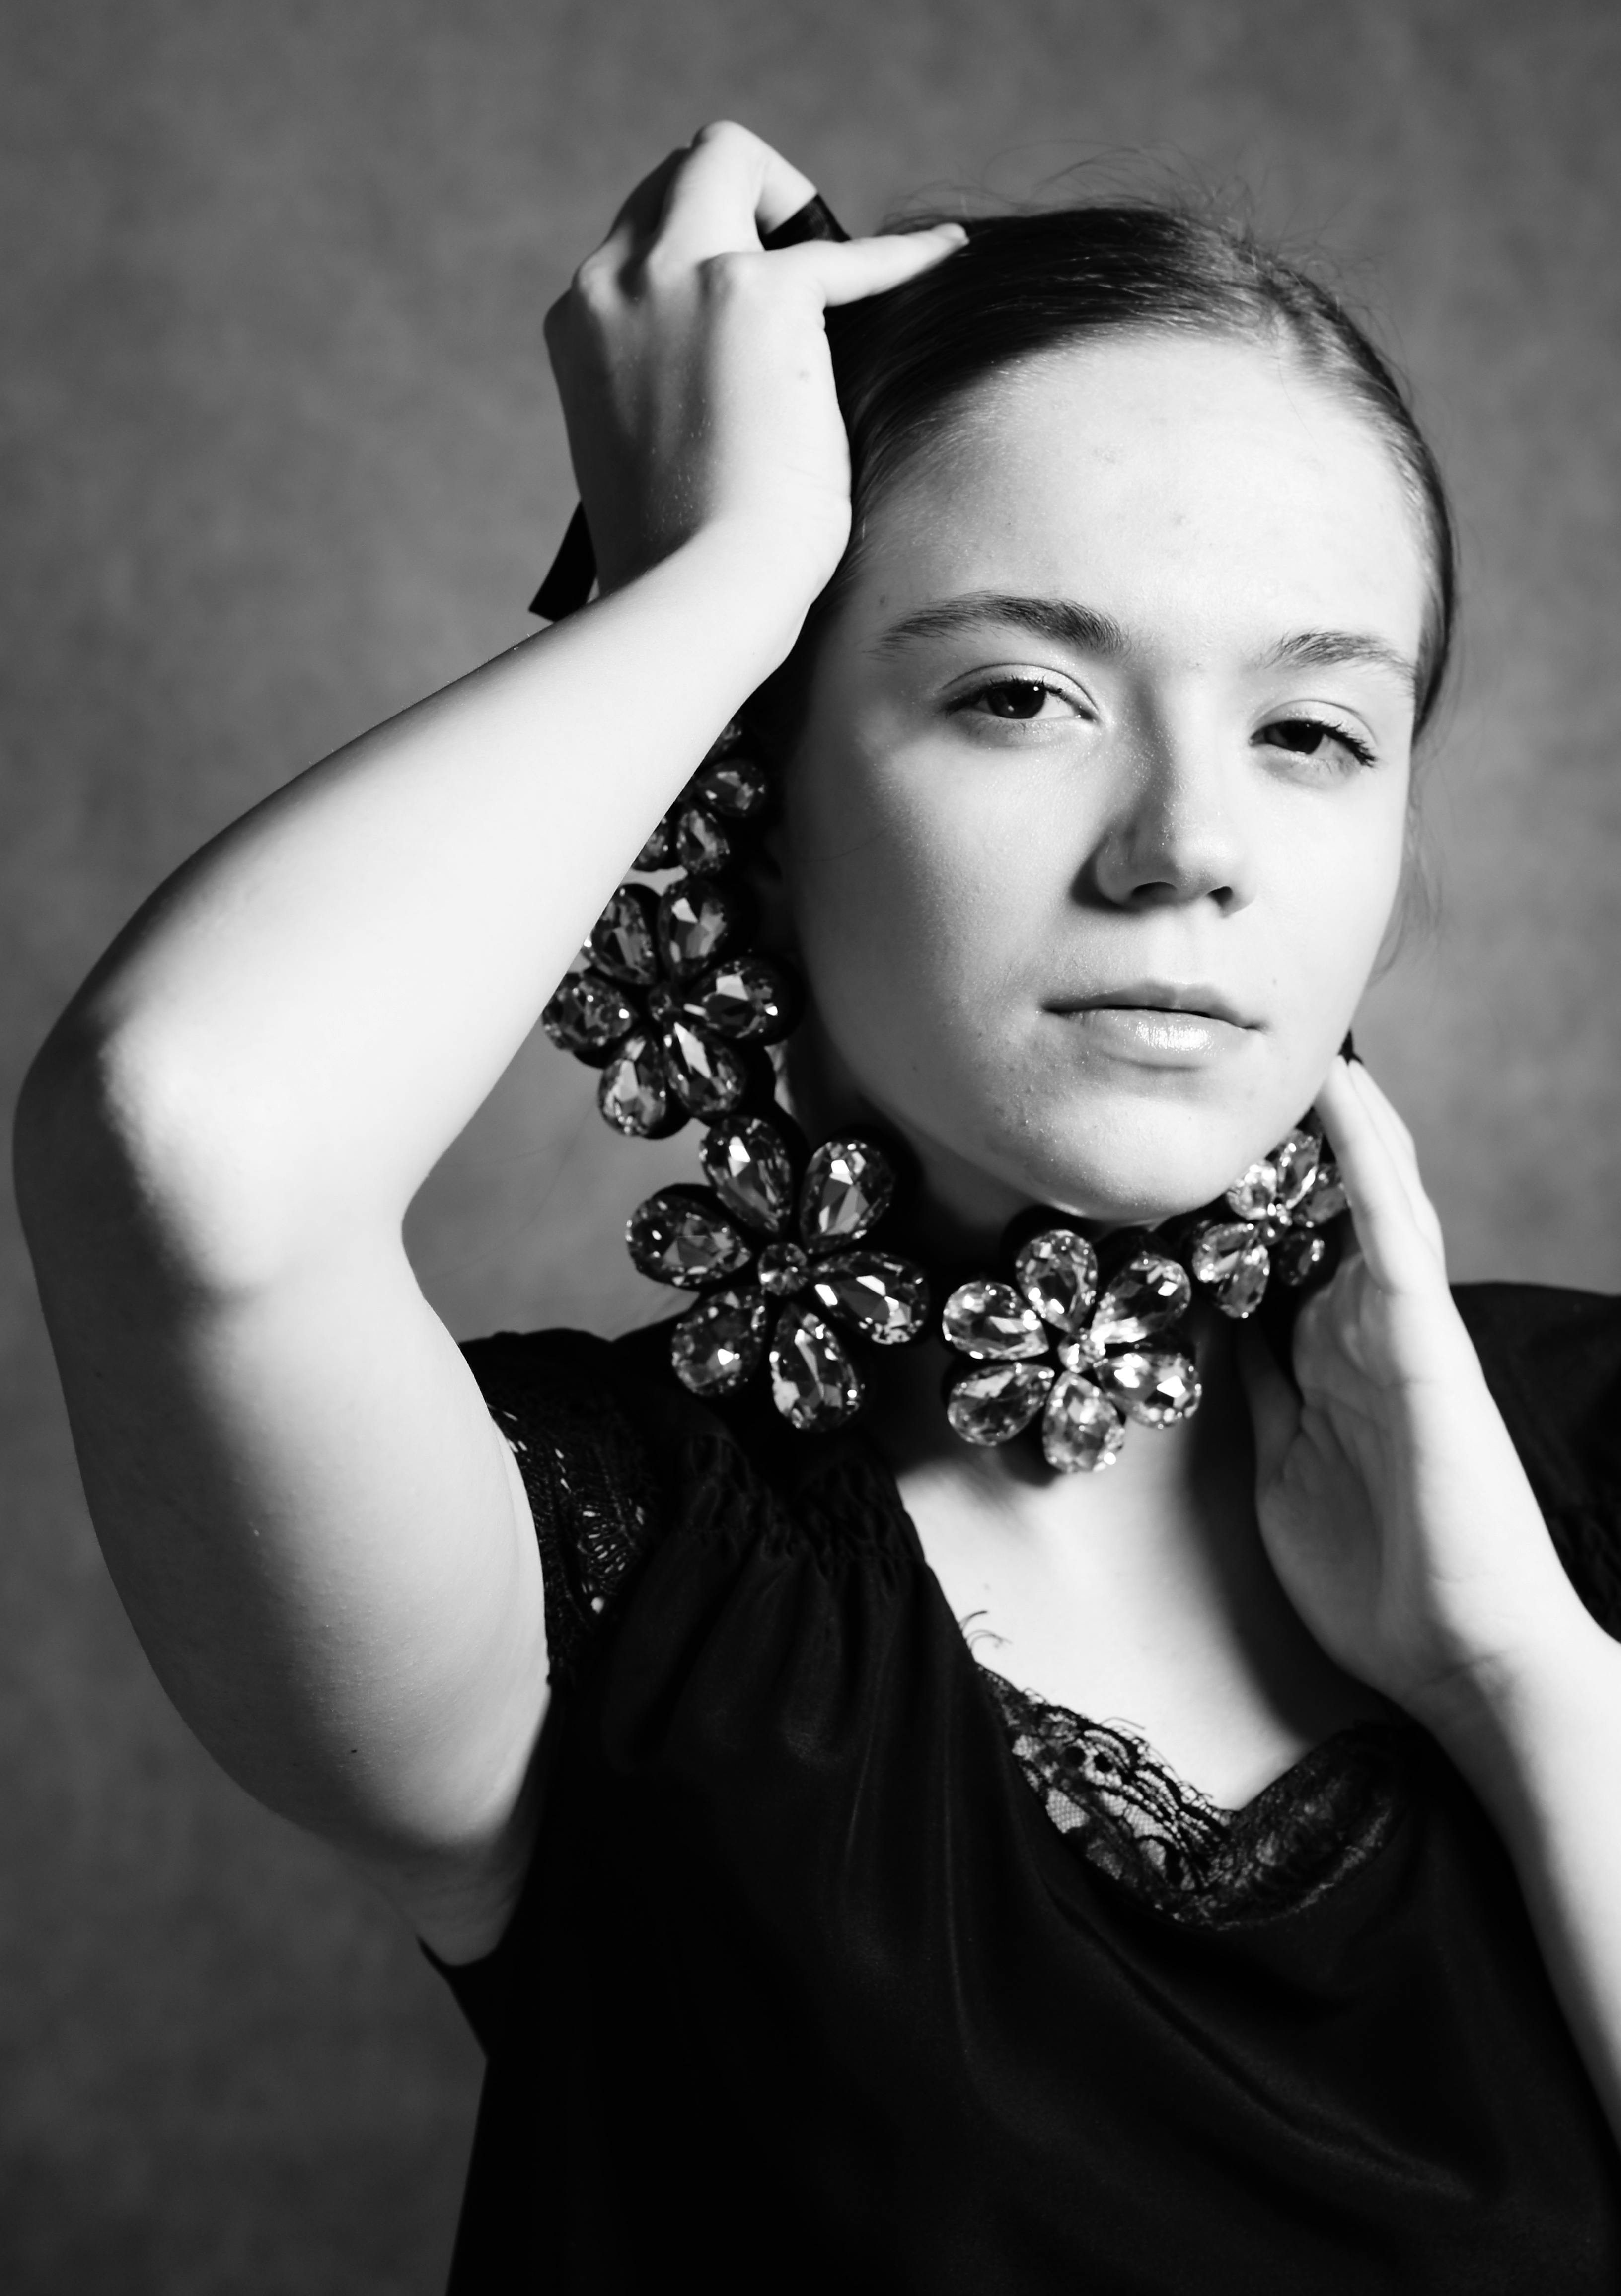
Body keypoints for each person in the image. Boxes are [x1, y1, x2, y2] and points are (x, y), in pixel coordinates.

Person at [15, 120, 1621, 2289]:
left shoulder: (1599, 1449)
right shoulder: (607, 1602)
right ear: (756, 804)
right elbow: (178, 1131)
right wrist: (722, 574)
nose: (1186, 845)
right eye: (1020, 694)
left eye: (1316, 733)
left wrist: (1522, 1671)